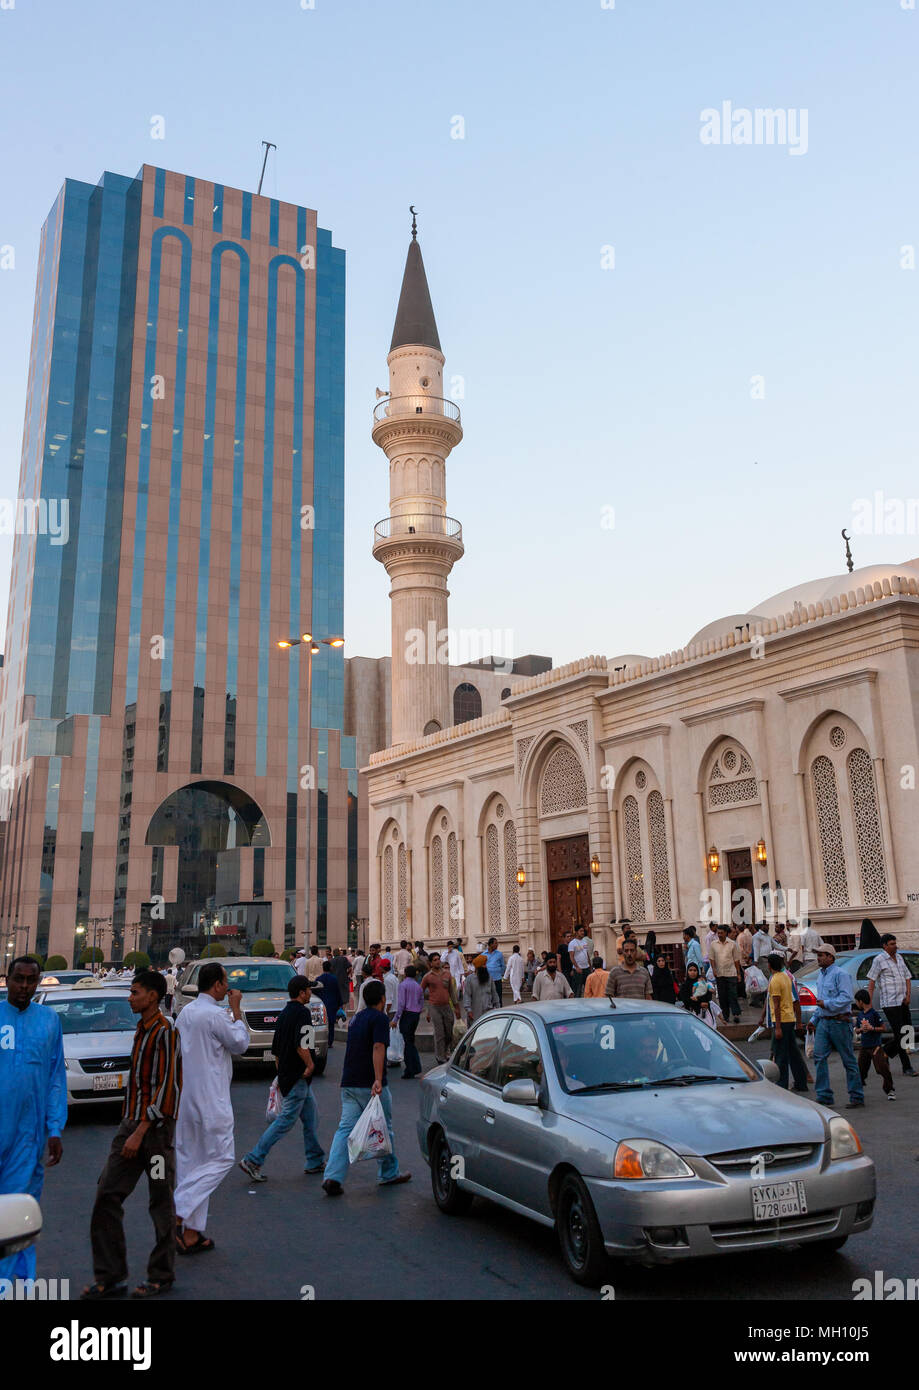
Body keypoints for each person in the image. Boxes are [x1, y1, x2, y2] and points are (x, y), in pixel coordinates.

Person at [82, 970, 182, 1300]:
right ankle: (111, 1275)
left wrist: (139, 1132)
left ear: (153, 996)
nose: (130, 998)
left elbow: (168, 1087)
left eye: (135, 992)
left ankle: (161, 1274)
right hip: (130, 1126)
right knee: (107, 1194)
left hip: (154, 1134)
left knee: (161, 1201)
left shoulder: (165, 1031)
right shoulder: (141, 1030)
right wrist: (129, 1126)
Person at [174, 962, 249, 1253]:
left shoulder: (186, 1013)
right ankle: (179, 1209)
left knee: (192, 1164)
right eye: (225, 982)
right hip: (212, 1098)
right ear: (217, 985)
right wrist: (236, 1010)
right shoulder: (216, 1015)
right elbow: (240, 1043)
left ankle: (192, 1233)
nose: (228, 987)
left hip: (187, 1098)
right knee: (222, 1158)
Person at [0, 957, 66, 1282]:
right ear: (7, 979)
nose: (24, 986)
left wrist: (55, 1128)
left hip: (28, 1136)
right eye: (18, 979)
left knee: (19, 1211)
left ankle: (15, 1283)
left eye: (31, 980)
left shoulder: (49, 1021)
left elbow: (55, 1079)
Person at [322, 980, 411, 1196]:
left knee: (344, 1130)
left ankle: (333, 1175)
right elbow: (378, 1047)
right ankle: (388, 1173)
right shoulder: (379, 1018)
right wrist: (378, 1079)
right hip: (369, 1083)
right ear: (382, 998)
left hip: (349, 1081)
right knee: (384, 1127)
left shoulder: (357, 1018)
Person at [807, 944, 864, 1109]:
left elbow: (846, 998)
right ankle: (824, 1095)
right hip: (824, 1022)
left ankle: (856, 1096)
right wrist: (814, 1019)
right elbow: (820, 1002)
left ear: (830, 957)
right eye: (818, 955)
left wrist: (826, 1004)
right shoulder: (821, 976)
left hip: (840, 1022)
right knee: (819, 1057)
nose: (818, 958)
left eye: (821, 955)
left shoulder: (841, 974)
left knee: (848, 1060)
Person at [867, 933, 916, 1079]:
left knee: (908, 1032)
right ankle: (907, 1067)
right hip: (890, 1003)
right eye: (892, 944)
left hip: (902, 1001)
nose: (895, 946)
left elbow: (907, 977)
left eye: (895, 943)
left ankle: (884, 1052)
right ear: (885, 946)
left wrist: (908, 995)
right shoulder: (879, 960)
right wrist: (869, 1002)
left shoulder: (899, 958)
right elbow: (872, 981)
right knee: (900, 1034)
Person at [766, 954, 809, 1092]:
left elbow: (776, 1005)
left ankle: (782, 1085)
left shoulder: (774, 980)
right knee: (793, 1053)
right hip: (790, 1019)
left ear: (769, 965)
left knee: (780, 1056)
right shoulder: (786, 977)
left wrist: (778, 1027)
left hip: (781, 1021)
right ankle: (801, 1083)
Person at [853, 989, 895, 1100]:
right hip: (864, 1047)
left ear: (861, 1001)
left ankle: (890, 1090)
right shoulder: (860, 1015)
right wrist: (860, 1029)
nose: (856, 1004)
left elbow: (883, 1028)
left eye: (856, 1001)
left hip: (876, 1046)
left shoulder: (874, 1013)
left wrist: (872, 1028)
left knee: (882, 1068)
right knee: (860, 1070)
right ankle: (858, 1091)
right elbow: (856, 1030)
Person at [421, 953, 462, 1064]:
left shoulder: (447, 974)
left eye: (438, 959)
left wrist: (457, 1008)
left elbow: (452, 992)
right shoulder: (427, 977)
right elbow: (420, 991)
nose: (438, 961)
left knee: (449, 1032)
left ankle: (446, 1051)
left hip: (447, 1006)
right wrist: (427, 1009)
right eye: (435, 960)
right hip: (434, 1007)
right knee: (440, 1033)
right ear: (430, 963)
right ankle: (440, 1057)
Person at [394, 965, 425, 1079]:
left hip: (407, 1014)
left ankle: (411, 1068)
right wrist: (418, 1010)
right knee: (410, 1040)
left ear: (405, 973)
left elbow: (401, 1003)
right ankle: (415, 1066)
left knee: (407, 1042)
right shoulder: (418, 986)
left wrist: (396, 1019)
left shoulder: (403, 985)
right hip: (415, 1014)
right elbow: (421, 1000)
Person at [709, 924, 742, 1023]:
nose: (719, 935)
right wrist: (714, 969)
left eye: (721, 933)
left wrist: (738, 973)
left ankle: (736, 1014)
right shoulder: (713, 944)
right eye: (718, 933)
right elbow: (711, 958)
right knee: (722, 996)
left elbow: (736, 960)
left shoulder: (733, 944)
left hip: (731, 973)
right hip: (719, 974)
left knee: (733, 995)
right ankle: (726, 1015)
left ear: (726, 933)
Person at [313, 960, 344, 1049]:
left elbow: (315, 992)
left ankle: (320, 1040)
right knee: (331, 1024)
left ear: (323, 968)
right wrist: (340, 1004)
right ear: (330, 968)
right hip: (332, 1004)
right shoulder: (334, 979)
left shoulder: (318, 979)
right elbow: (337, 992)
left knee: (319, 1023)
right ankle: (330, 1042)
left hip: (321, 1003)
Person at [568, 924, 593, 997]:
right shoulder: (572, 943)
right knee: (578, 989)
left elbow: (587, 954)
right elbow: (571, 957)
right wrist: (577, 967)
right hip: (578, 969)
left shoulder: (584, 942)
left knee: (588, 988)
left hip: (587, 968)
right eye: (581, 931)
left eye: (583, 931)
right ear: (576, 932)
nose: (582, 932)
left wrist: (590, 966)